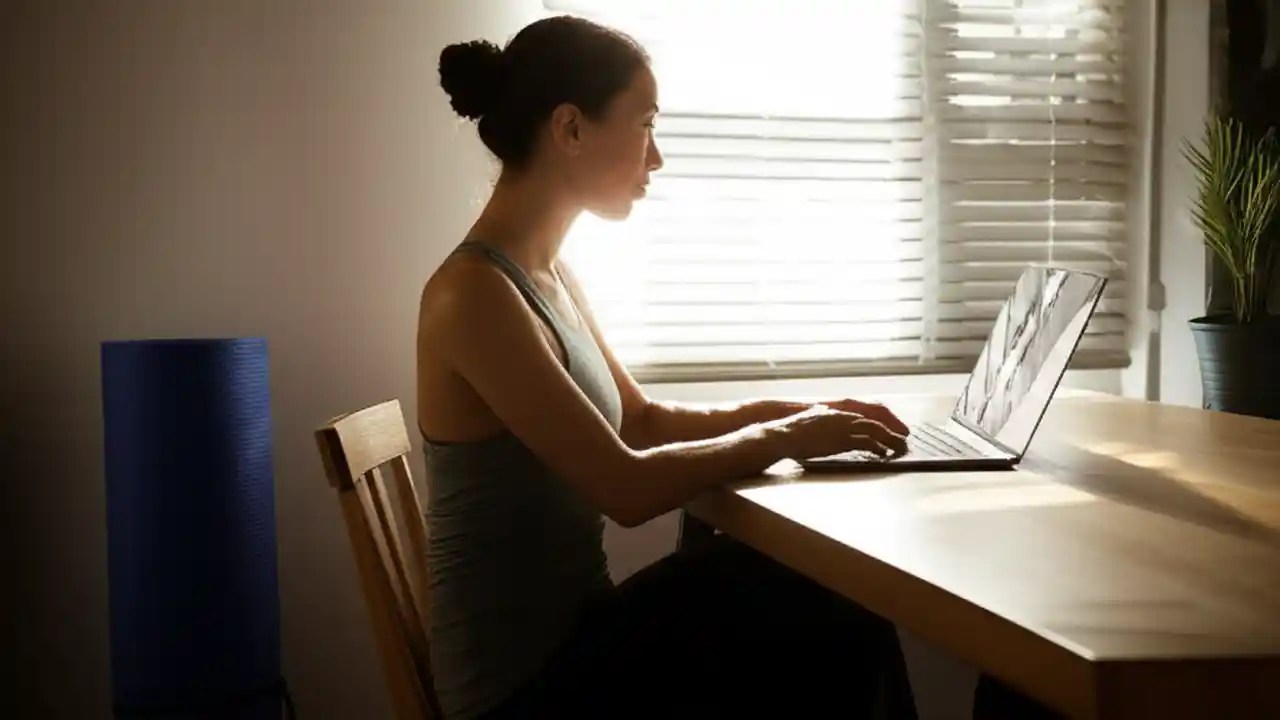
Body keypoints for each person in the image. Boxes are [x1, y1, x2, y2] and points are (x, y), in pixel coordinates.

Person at [419, 14, 1055, 720]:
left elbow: (642, 420)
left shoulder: (549, 275)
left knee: (819, 593)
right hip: (523, 691)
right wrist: (782, 440)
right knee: (824, 597)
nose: (655, 158)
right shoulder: (474, 295)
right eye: (645, 125)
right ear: (570, 129)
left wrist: (800, 416)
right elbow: (624, 489)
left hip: (582, 639)